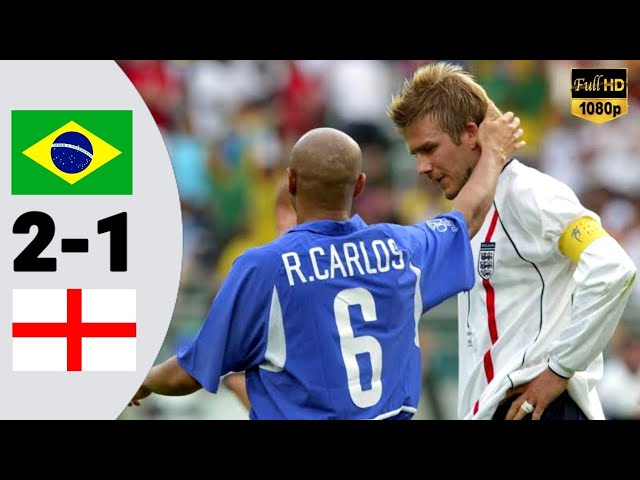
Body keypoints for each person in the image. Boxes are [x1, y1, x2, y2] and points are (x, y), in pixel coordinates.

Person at [130, 113, 524, 419]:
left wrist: (142, 381)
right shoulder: (402, 247)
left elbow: (188, 374)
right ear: (359, 185)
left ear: (291, 182)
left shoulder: (263, 268)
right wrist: (493, 151)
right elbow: (468, 216)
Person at [387, 61, 638, 420]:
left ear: (470, 134)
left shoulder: (529, 193)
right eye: (415, 155)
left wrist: (559, 370)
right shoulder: (470, 215)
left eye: (429, 149)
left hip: (539, 407)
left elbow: (613, 268)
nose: (422, 167)